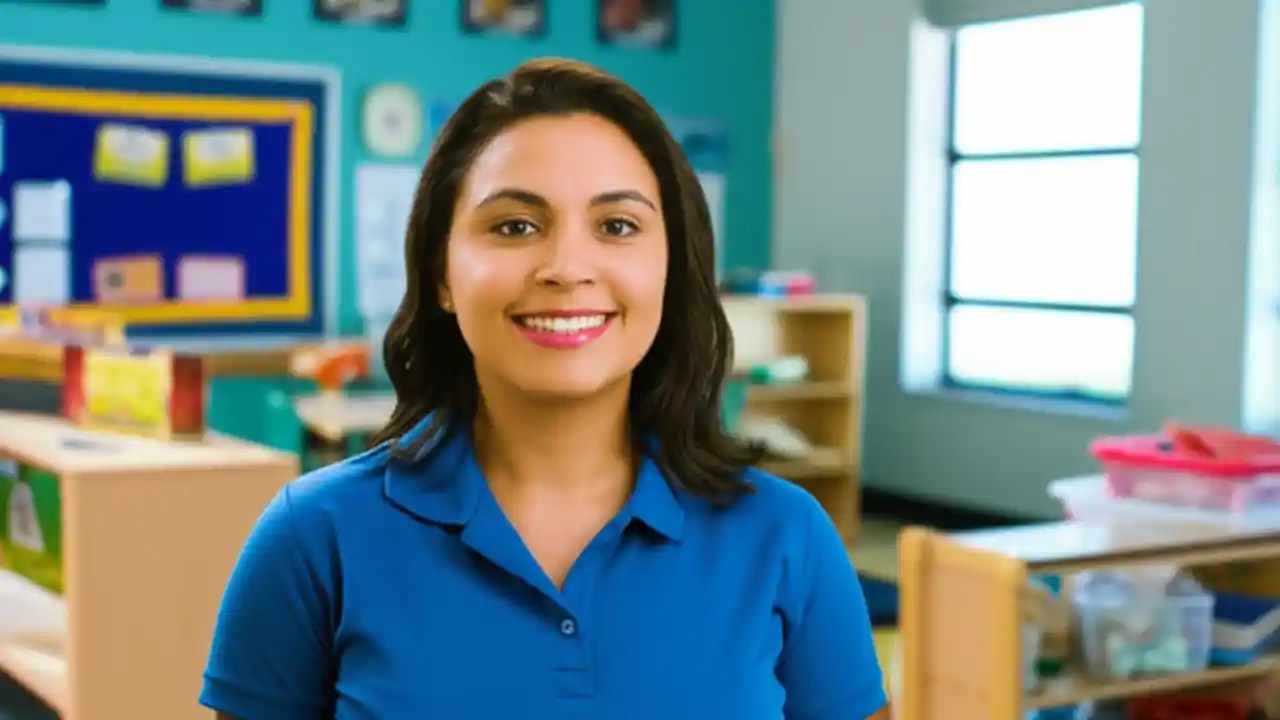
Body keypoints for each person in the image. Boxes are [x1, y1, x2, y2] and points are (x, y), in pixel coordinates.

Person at [199, 58, 888, 719]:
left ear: (671, 269)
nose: (566, 267)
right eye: (515, 226)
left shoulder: (786, 537)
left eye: (617, 226)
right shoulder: (313, 537)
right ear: (442, 273)